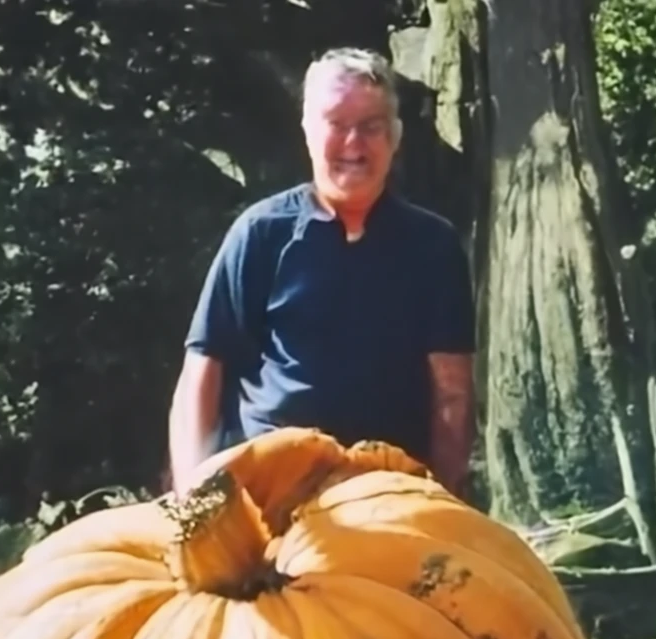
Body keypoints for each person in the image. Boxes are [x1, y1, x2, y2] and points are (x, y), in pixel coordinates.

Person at [167, 47, 476, 498]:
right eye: (337, 124)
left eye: (371, 127)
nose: (354, 144)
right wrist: (193, 497)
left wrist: (443, 498)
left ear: (395, 136)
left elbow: (453, 395)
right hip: (264, 490)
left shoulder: (434, 246)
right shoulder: (260, 233)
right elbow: (202, 374)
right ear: (309, 132)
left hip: (389, 494)